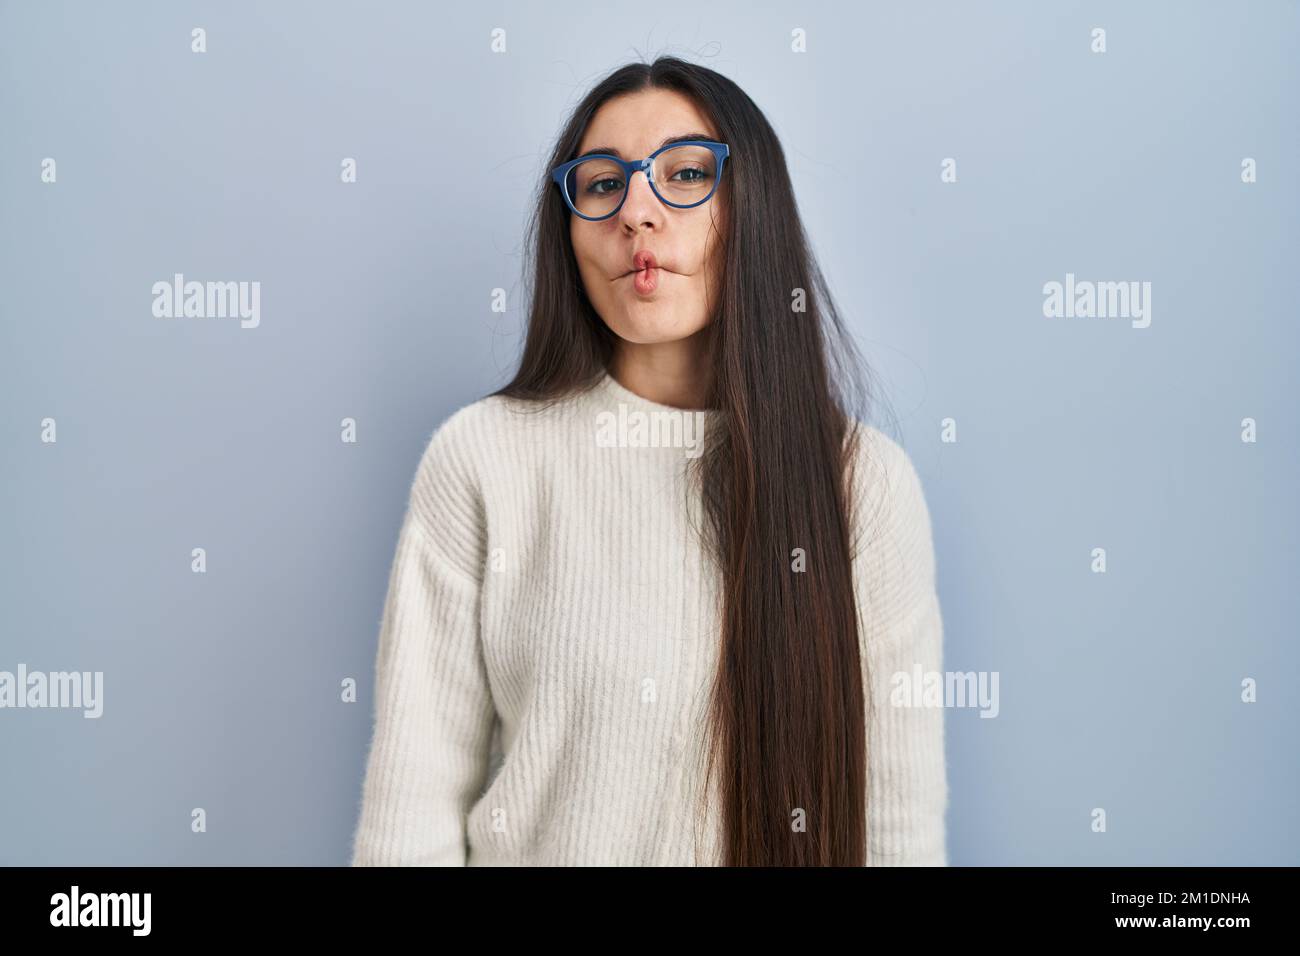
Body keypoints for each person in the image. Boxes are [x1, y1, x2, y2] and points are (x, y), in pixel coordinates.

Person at [350, 55, 947, 866]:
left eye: (686, 174)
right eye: (601, 184)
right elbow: (409, 818)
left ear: (754, 209)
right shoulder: (481, 461)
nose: (637, 211)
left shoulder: (861, 487)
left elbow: (897, 834)